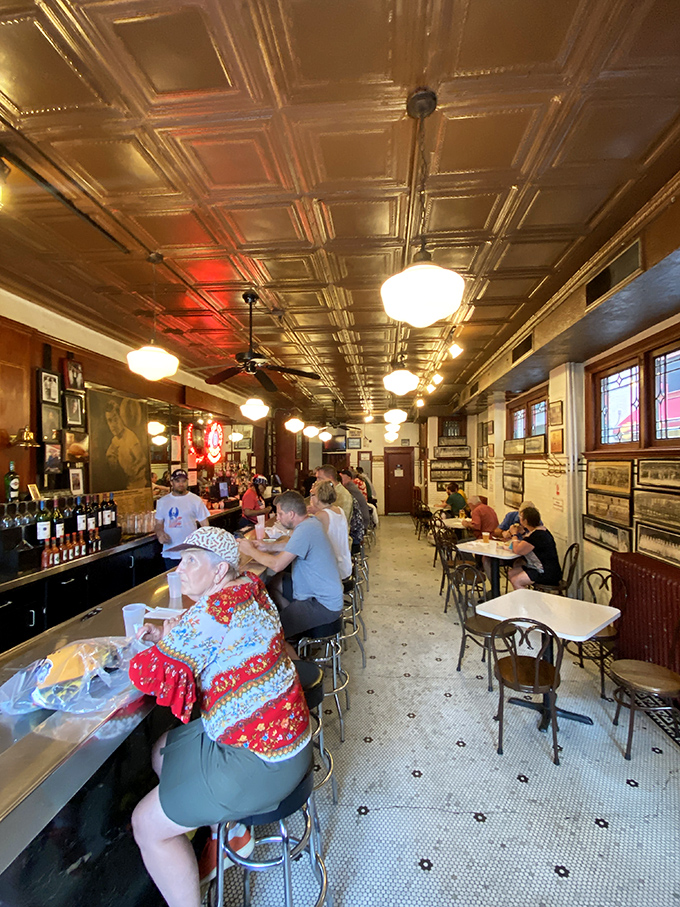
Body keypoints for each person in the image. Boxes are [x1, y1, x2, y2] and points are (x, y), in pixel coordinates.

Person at [129, 527, 311, 907]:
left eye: (191, 560)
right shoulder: (248, 588)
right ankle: (230, 832)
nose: (179, 569)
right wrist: (173, 641)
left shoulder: (215, 610)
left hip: (261, 762)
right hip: (288, 738)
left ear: (218, 571)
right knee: (163, 749)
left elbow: (146, 673)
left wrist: (164, 643)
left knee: (145, 825)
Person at [238, 490, 343, 639]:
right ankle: (289, 620)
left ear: (291, 514)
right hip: (318, 592)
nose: (278, 518)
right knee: (273, 582)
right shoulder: (310, 522)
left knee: (269, 636)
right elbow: (292, 544)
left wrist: (250, 550)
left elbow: (277, 565)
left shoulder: (306, 529)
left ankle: (283, 635)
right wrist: (267, 547)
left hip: (322, 604)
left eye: (280, 514)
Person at [155, 469, 210, 570]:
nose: (181, 484)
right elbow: (158, 524)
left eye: (183, 481)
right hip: (170, 551)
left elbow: (205, 525)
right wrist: (160, 534)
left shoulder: (195, 500)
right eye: (177, 481)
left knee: (191, 583)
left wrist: (206, 546)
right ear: (171, 482)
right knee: (173, 583)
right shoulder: (163, 502)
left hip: (190, 552)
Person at [508, 506, 562, 589]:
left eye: (521, 517)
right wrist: (522, 533)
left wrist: (514, 534)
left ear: (525, 521)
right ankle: (525, 597)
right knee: (511, 573)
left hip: (546, 572)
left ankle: (526, 601)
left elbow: (517, 550)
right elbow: (527, 544)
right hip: (537, 567)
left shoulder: (538, 535)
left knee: (516, 580)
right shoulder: (539, 531)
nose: (519, 519)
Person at [308, 479, 352, 580]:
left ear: (319, 497)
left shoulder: (322, 515)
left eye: (312, 494)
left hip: (332, 570)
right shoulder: (339, 510)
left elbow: (309, 540)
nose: (311, 497)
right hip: (344, 566)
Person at [105, 399, 148, 489]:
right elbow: (110, 455)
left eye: (115, 420)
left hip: (138, 485)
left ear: (121, 418)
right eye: (109, 421)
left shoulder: (130, 437)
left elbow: (142, 459)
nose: (113, 425)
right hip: (127, 485)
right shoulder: (115, 440)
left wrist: (134, 469)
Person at [315, 464, 353, 530]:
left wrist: (316, 511)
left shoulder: (343, 495)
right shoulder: (326, 492)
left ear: (330, 478)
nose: (317, 482)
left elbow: (340, 520)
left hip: (337, 535)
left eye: (320, 478)